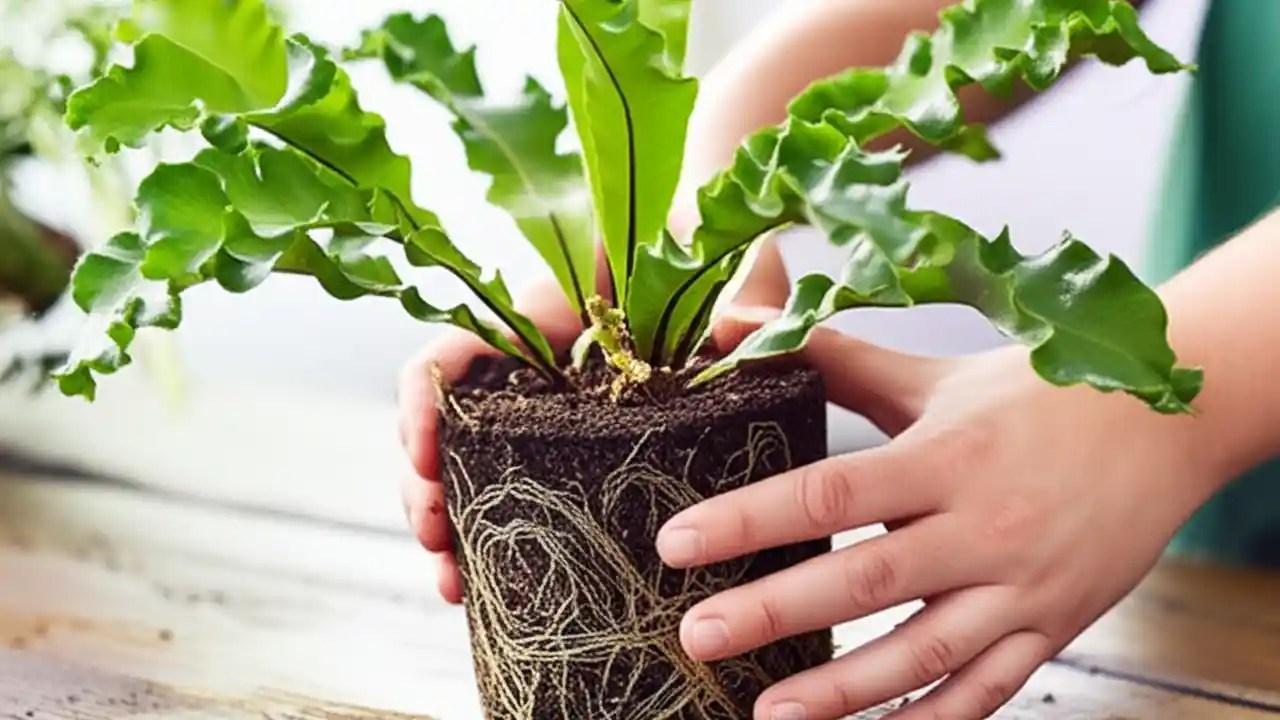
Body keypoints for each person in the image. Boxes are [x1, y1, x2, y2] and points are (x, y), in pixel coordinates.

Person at [397, 1, 1280, 718]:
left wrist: (1141, 426)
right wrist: (700, 196)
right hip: (1200, 544)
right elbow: (982, 18)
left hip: (1178, 422)